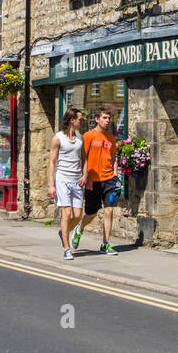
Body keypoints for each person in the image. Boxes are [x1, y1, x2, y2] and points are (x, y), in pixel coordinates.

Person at [71, 106, 121, 256]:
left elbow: (113, 160)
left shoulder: (111, 138)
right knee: (91, 213)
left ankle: (105, 244)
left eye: (109, 118)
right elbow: (82, 158)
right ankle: (79, 229)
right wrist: (84, 176)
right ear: (97, 119)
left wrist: (115, 176)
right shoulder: (88, 136)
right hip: (93, 180)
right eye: (104, 118)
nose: (107, 121)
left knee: (109, 210)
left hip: (109, 180)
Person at [48, 108, 85, 260]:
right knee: (67, 213)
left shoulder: (80, 138)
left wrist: (85, 175)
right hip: (62, 179)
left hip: (77, 180)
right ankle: (66, 248)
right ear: (72, 120)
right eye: (80, 119)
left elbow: (84, 158)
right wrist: (51, 185)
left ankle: (63, 233)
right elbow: (52, 162)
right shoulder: (58, 138)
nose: (81, 121)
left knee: (77, 216)